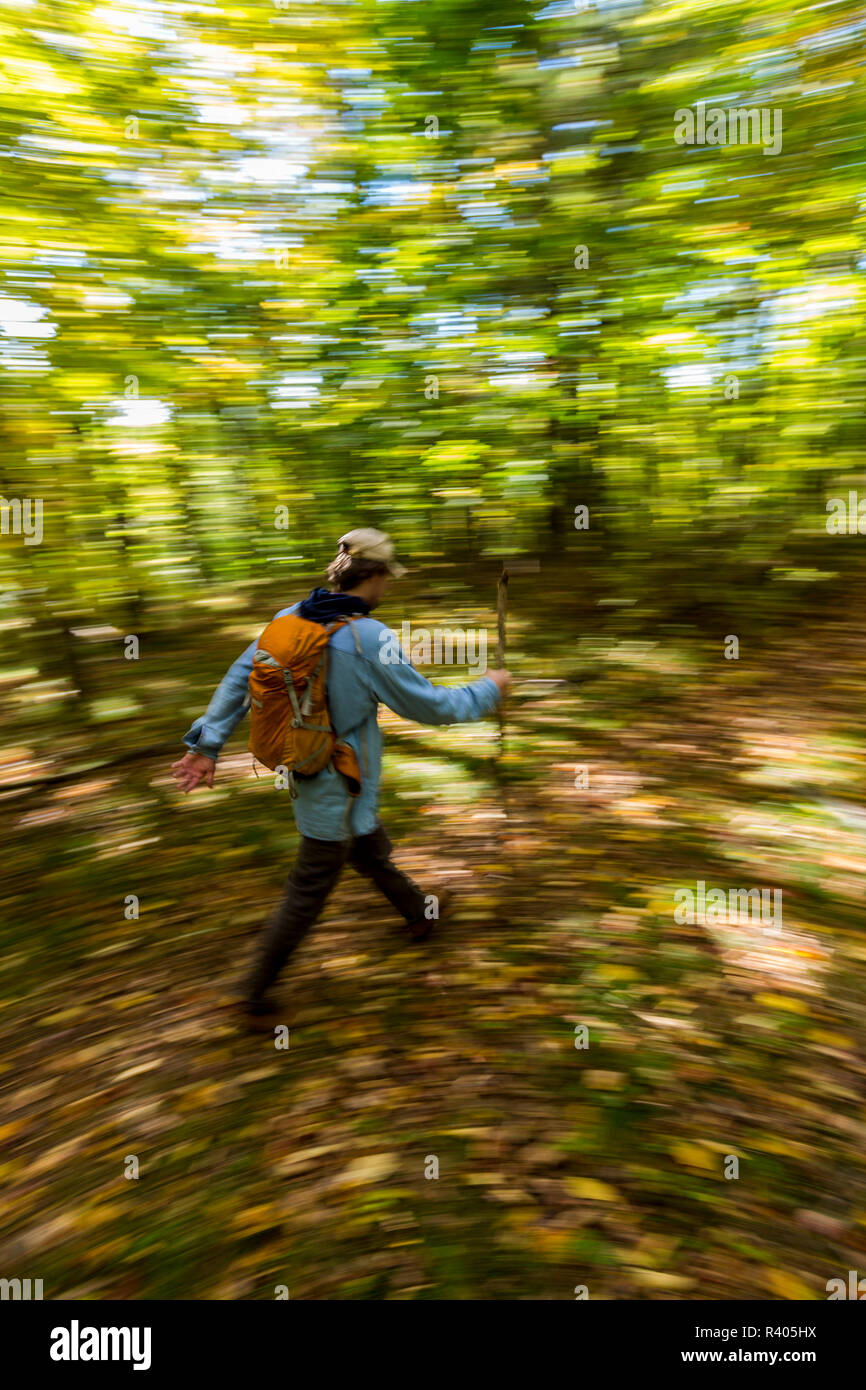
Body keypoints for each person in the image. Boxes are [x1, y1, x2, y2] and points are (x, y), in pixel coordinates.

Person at [171, 528, 511, 1025]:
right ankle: (252, 994)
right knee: (311, 885)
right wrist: (490, 689)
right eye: (387, 578)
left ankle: (420, 914)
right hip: (339, 779)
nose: (388, 587)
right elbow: (429, 706)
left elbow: (237, 680)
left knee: (368, 846)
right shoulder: (368, 637)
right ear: (373, 576)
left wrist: (205, 748)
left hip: (311, 769)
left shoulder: (289, 618)